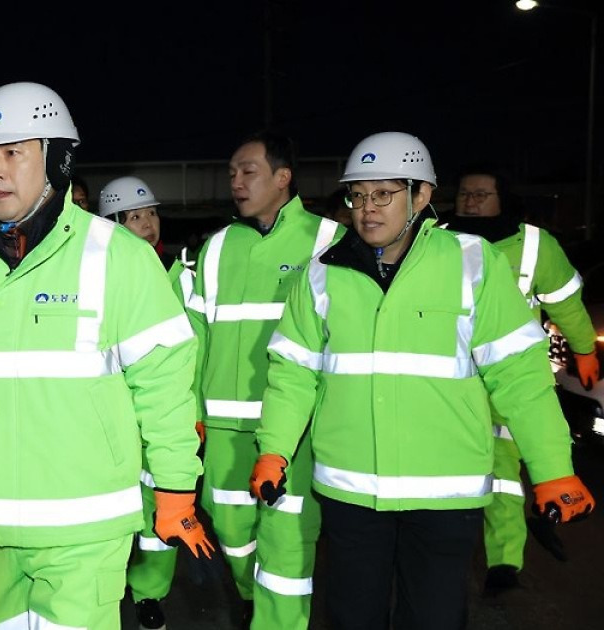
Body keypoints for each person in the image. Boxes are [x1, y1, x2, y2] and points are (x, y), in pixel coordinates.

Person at [0, 81, 214, 629]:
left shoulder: (119, 258)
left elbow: (163, 387)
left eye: (14, 152)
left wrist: (177, 488)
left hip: (84, 536)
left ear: (57, 159)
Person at [252, 131, 594, 629]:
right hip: (352, 492)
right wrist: (274, 449)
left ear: (422, 195)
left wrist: (552, 469)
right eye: (359, 196)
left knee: (432, 618)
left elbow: (520, 377)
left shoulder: (472, 263)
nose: (368, 209)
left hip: (444, 496)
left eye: (384, 194)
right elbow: (293, 374)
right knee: (352, 617)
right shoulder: (321, 275)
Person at [190, 131, 342, 630]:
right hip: (224, 432)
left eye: (248, 171)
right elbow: (193, 339)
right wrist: (191, 412)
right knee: (233, 538)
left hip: (297, 432)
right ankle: (254, 600)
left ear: (283, 177)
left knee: (287, 550)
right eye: (231, 173)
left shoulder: (329, 242)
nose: (236, 182)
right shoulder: (215, 248)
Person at [442, 166, 600, 593]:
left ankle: (504, 562)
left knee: (502, 476)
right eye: (464, 193)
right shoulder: (435, 238)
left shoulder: (534, 245)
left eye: (481, 194)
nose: (470, 201)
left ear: (503, 199)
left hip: (510, 381)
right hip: (448, 383)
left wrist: (584, 349)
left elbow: (566, 305)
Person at [98, 175, 206, 630]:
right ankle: (106, 588)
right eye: (135, 216)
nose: (147, 224)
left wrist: (195, 414)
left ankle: (149, 595)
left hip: (169, 415)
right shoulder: (100, 280)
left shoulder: (186, 277)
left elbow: (200, 352)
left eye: (151, 214)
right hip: (112, 420)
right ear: (113, 225)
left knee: (164, 506)